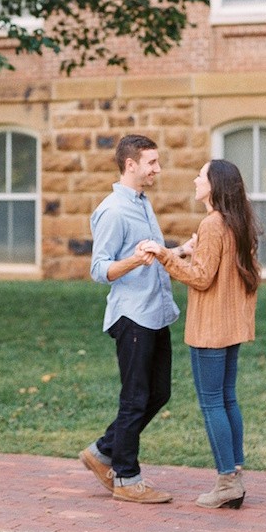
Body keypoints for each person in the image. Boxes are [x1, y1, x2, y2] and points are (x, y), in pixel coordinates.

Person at [140, 159, 261, 509]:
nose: (195, 180)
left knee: (212, 402)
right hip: (232, 325)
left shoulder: (212, 223)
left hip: (210, 329)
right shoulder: (238, 221)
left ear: (215, 185)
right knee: (227, 398)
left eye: (201, 176)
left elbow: (201, 278)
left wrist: (164, 255)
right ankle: (235, 474)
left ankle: (227, 483)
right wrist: (191, 253)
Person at [79, 134, 187, 504]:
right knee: (135, 397)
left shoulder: (142, 203)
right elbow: (99, 269)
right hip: (133, 316)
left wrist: (180, 251)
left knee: (159, 393)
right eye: (152, 162)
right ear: (131, 165)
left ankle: (102, 451)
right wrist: (134, 261)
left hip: (156, 313)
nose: (158, 169)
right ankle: (126, 478)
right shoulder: (112, 210)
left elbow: (152, 255)